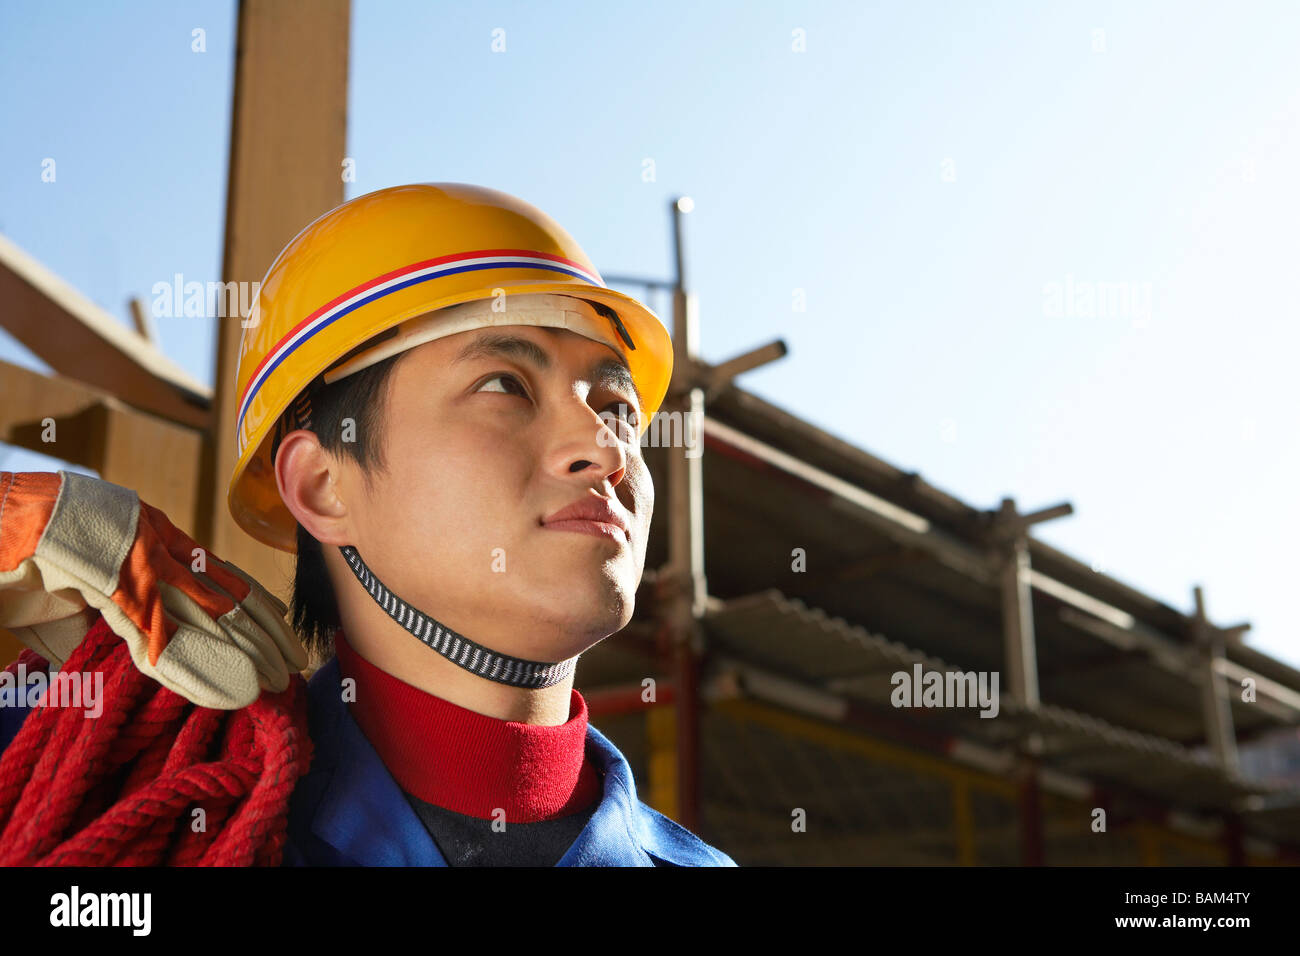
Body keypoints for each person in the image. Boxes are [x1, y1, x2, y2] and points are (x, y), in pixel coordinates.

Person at [0, 183, 736, 867]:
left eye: (615, 408)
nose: (603, 445)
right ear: (322, 486)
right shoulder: (108, 775)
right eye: (505, 385)